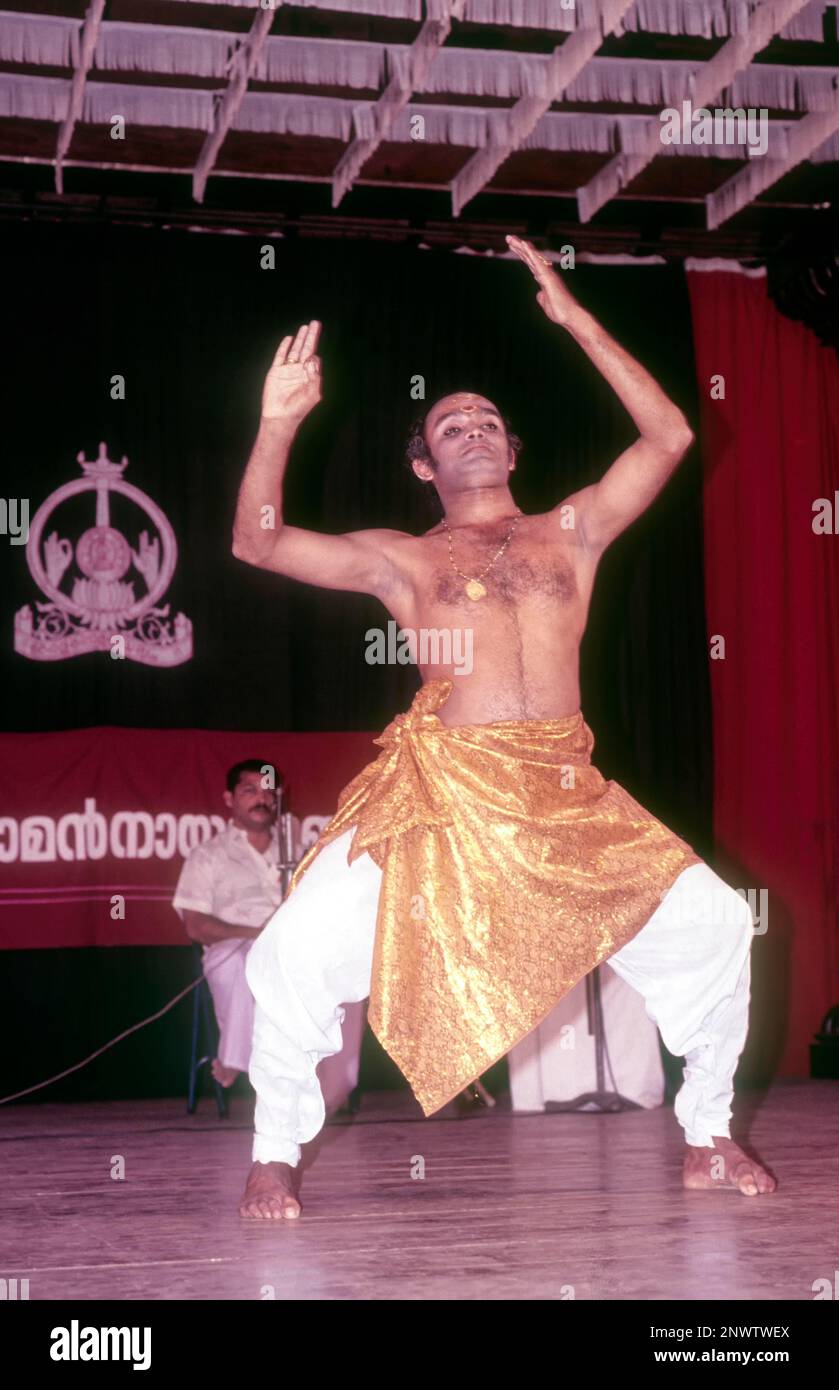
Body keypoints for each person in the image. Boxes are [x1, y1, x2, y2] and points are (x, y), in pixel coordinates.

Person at [232, 235, 775, 1219]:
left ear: (511, 448)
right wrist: (275, 425)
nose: (473, 429)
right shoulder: (401, 558)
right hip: (444, 793)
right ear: (421, 461)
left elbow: (667, 439)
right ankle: (274, 1150)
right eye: (450, 424)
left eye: (487, 419)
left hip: (567, 795)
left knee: (715, 924)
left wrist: (575, 321)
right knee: (290, 953)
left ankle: (705, 1133)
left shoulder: (573, 527)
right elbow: (256, 541)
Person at [173, 759, 295, 1087]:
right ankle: (236, 1058)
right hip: (235, 947)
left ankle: (331, 1078)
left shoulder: (298, 852)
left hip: (292, 949)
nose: (262, 798)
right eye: (250, 790)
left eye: (269, 791)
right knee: (239, 960)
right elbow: (195, 926)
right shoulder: (207, 856)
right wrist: (258, 935)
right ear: (229, 799)